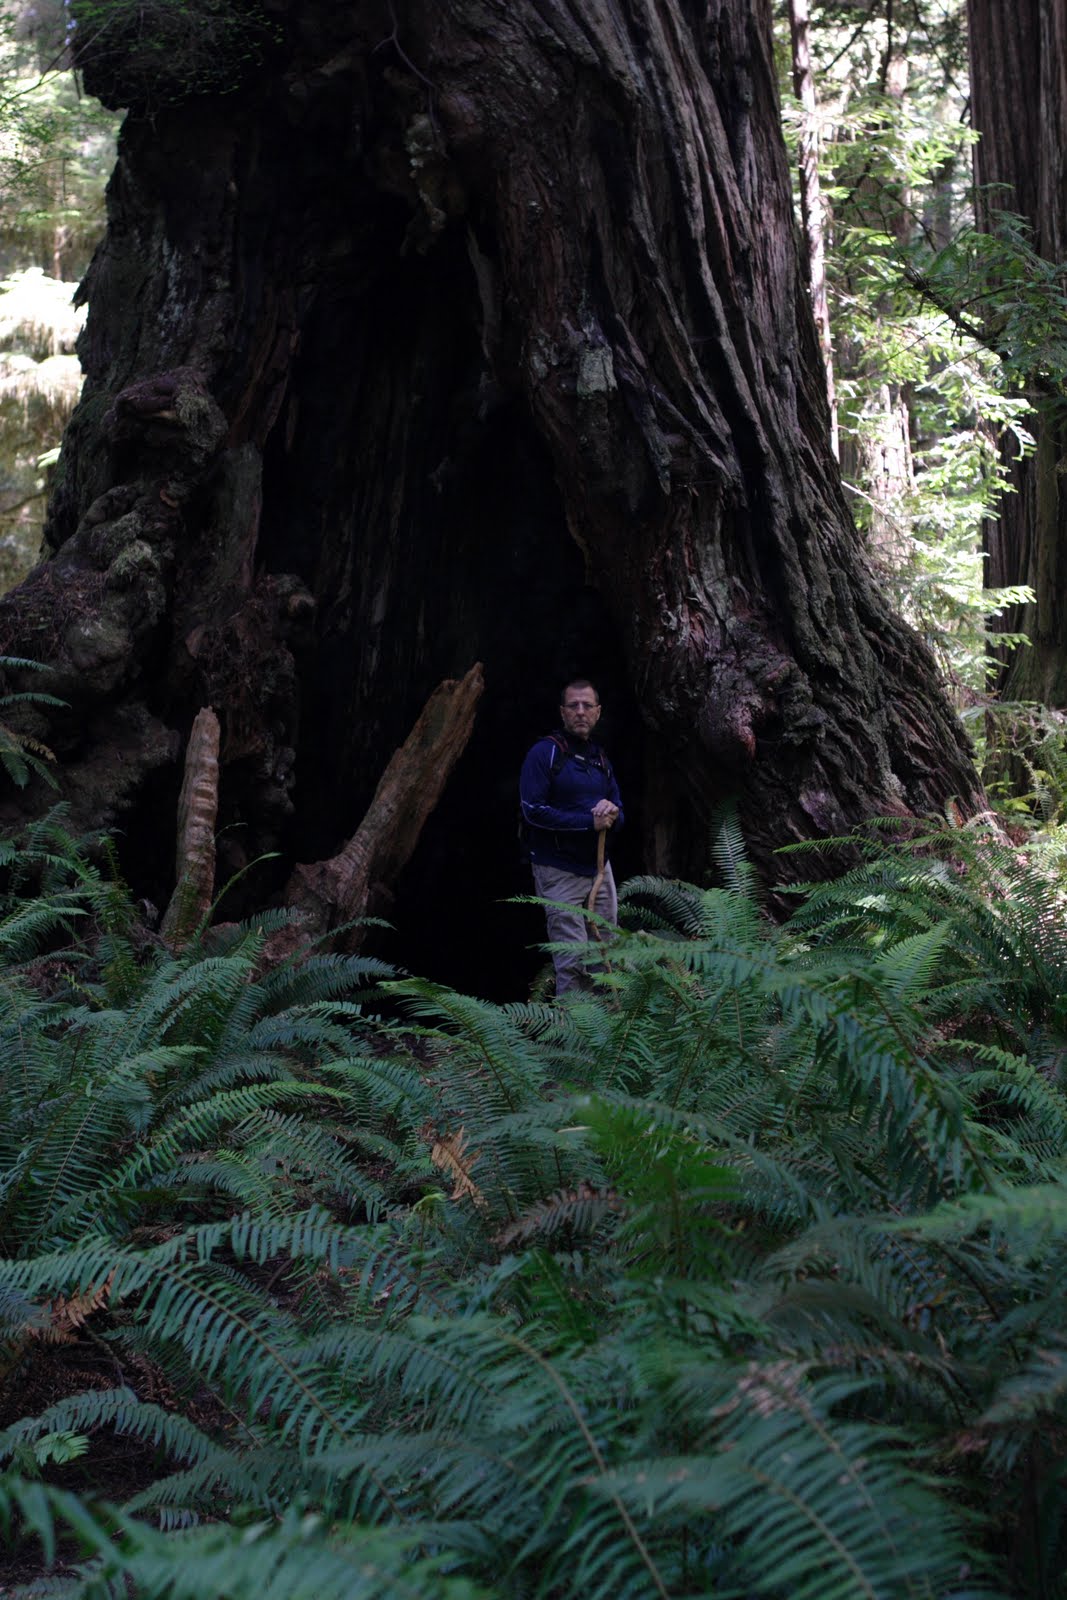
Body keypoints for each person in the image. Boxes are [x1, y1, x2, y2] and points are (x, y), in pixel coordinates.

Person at [519, 679, 624, 995]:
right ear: (562, 712)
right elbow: (533, 811)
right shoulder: (544, 753)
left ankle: (608, 1024)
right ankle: (574, 1026)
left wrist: (611, 813)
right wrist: (589, 822)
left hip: (599, 870)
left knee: (607, 956)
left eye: (587, 705)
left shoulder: (600, 759)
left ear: (598, 712)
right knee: (573, 962)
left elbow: (620, 812)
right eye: (573, 705)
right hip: (558, 870)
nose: (580, 711)